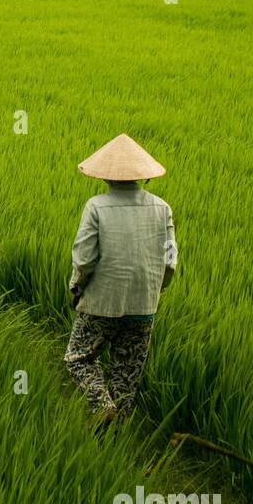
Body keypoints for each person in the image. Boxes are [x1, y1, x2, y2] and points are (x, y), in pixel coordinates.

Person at [65, 134, 176, 425]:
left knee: (78, 358)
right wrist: (156, 291)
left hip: (101, 303)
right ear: (142, 175)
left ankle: (102, 406)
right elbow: (170, 261)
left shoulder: (96, 206)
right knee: (126, 376)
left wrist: (77, 287)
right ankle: (115, 437)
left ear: (107, 175)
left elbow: (84, 260)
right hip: (144, 306)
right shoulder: (163, 208)